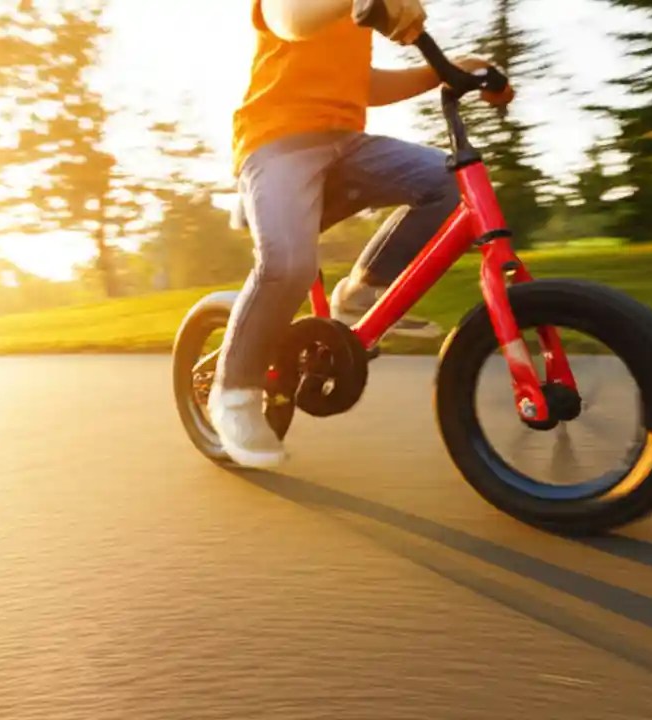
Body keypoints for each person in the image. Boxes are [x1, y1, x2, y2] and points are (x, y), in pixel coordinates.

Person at [210, 0, 514, 468]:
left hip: (346, 146)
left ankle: (362, 289)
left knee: (450, 180)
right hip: (276, 145)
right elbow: (292, 21)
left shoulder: (355, 15)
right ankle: (233, 392)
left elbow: (362, 85)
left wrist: (445, 70)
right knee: (290, 265)